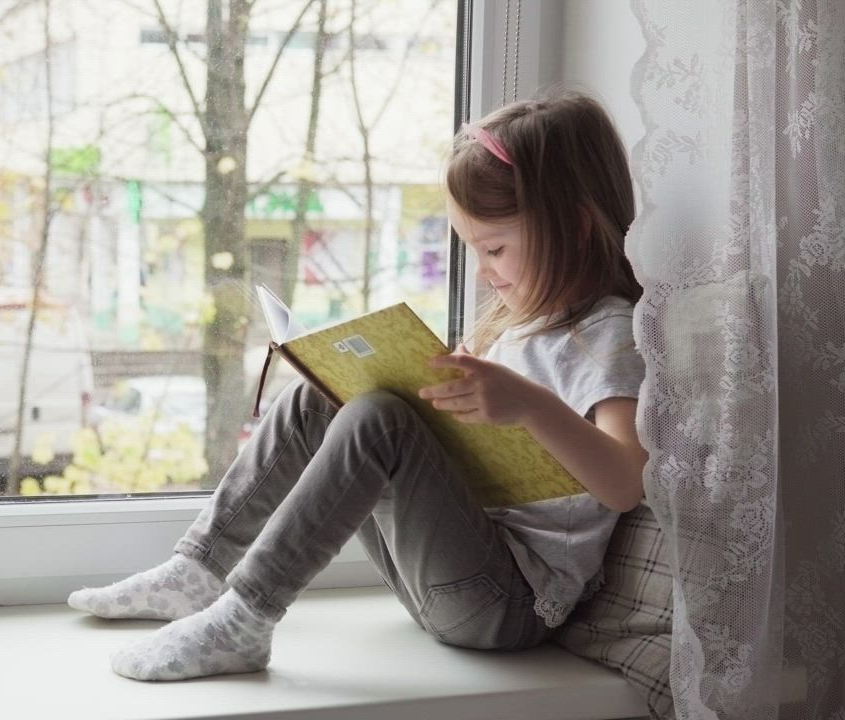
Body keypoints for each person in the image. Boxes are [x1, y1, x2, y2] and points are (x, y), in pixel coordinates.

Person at [68, 88, 649, 682]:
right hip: (444, 576)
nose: (484, 270)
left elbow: (627, 482)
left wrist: (527, 404)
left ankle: (246, 616)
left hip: (509, 606)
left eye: (495, 248)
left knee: (382, 422)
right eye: (473, 249)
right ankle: (198, 570)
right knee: (318, 397)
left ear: (576, 226)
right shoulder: (520, 327)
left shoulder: (610, 333)